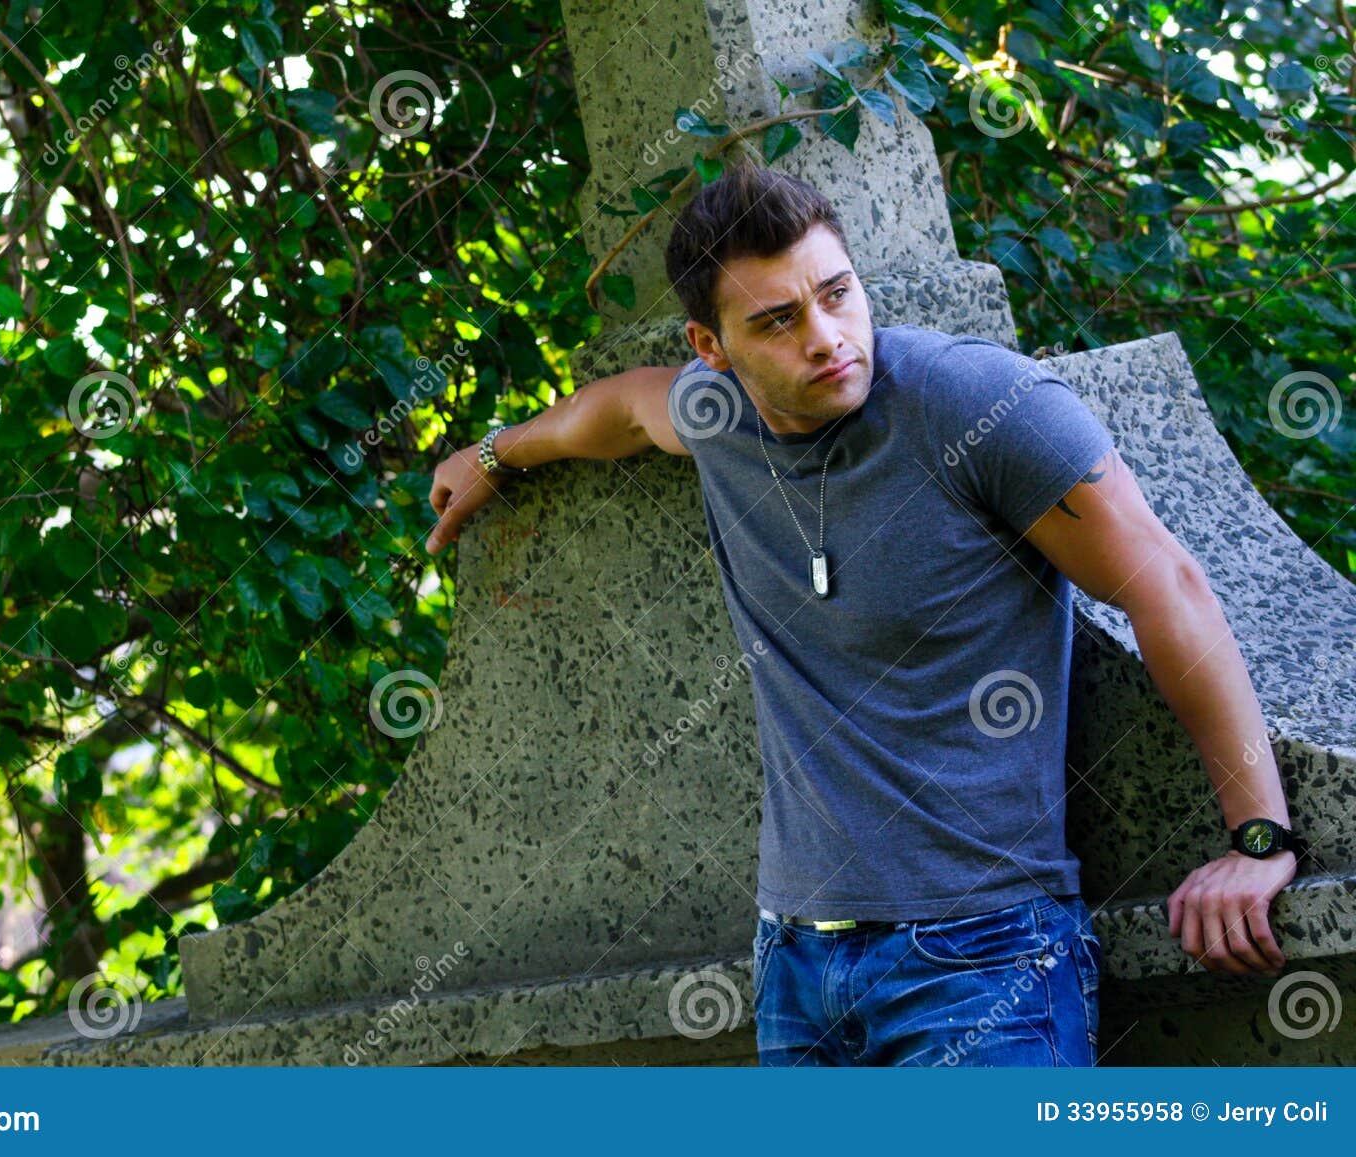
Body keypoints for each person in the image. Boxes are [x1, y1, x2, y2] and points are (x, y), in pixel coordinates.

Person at [424, 163, 1304, 1066]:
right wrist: (494, 453)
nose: (828, 337)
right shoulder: (715, 414)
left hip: (983, 957)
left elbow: (1171, 589)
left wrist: (1260, 837)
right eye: (777, 321)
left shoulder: (983, 406)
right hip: (797, 966)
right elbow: (612, 413)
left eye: (837, 294)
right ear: (711, 346)